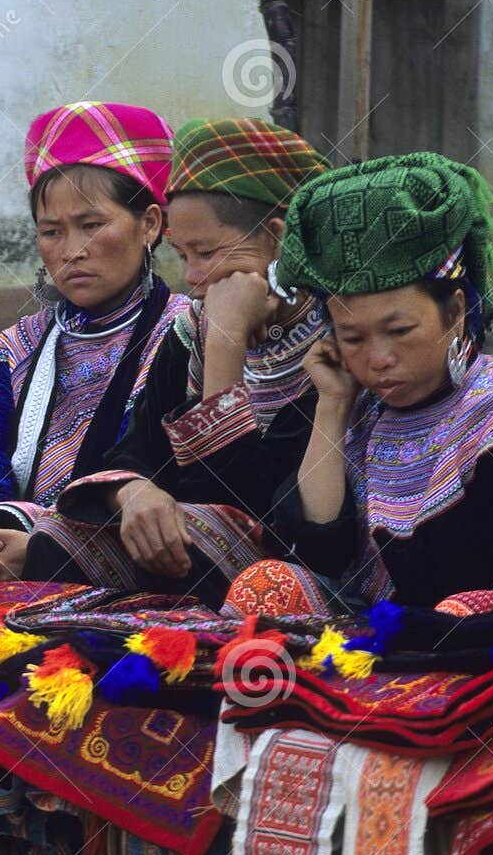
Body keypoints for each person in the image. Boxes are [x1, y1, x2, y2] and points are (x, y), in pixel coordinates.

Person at [224, 152, 493, 615]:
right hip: (362, 644)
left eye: (400, 331)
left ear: (456, 310)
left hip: (479, 649)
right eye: (353, 337)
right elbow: (318, 552)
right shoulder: (350, 409)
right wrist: (332, 405)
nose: (379, 360)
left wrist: (458, 618)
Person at [40, 117, 331, 603]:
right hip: (195, 547)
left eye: (207, 252)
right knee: (44, 531)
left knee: (199, 530)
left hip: (293, 566)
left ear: (277, 237)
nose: (194, 277)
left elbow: (235, 498)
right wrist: (134, 493)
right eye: (181, 255)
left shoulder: (333, 346)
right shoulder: (189, 331)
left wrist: (225, 343)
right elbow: (136, 453)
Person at [0, 101, 189, 580]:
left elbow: (179, 482)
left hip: (127, 567)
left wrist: (49, 548)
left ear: (149, 224)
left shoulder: (186, 335)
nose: (72, 251)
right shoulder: (17, 345)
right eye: (51, 232)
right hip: (6, 548)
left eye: (92, 226)